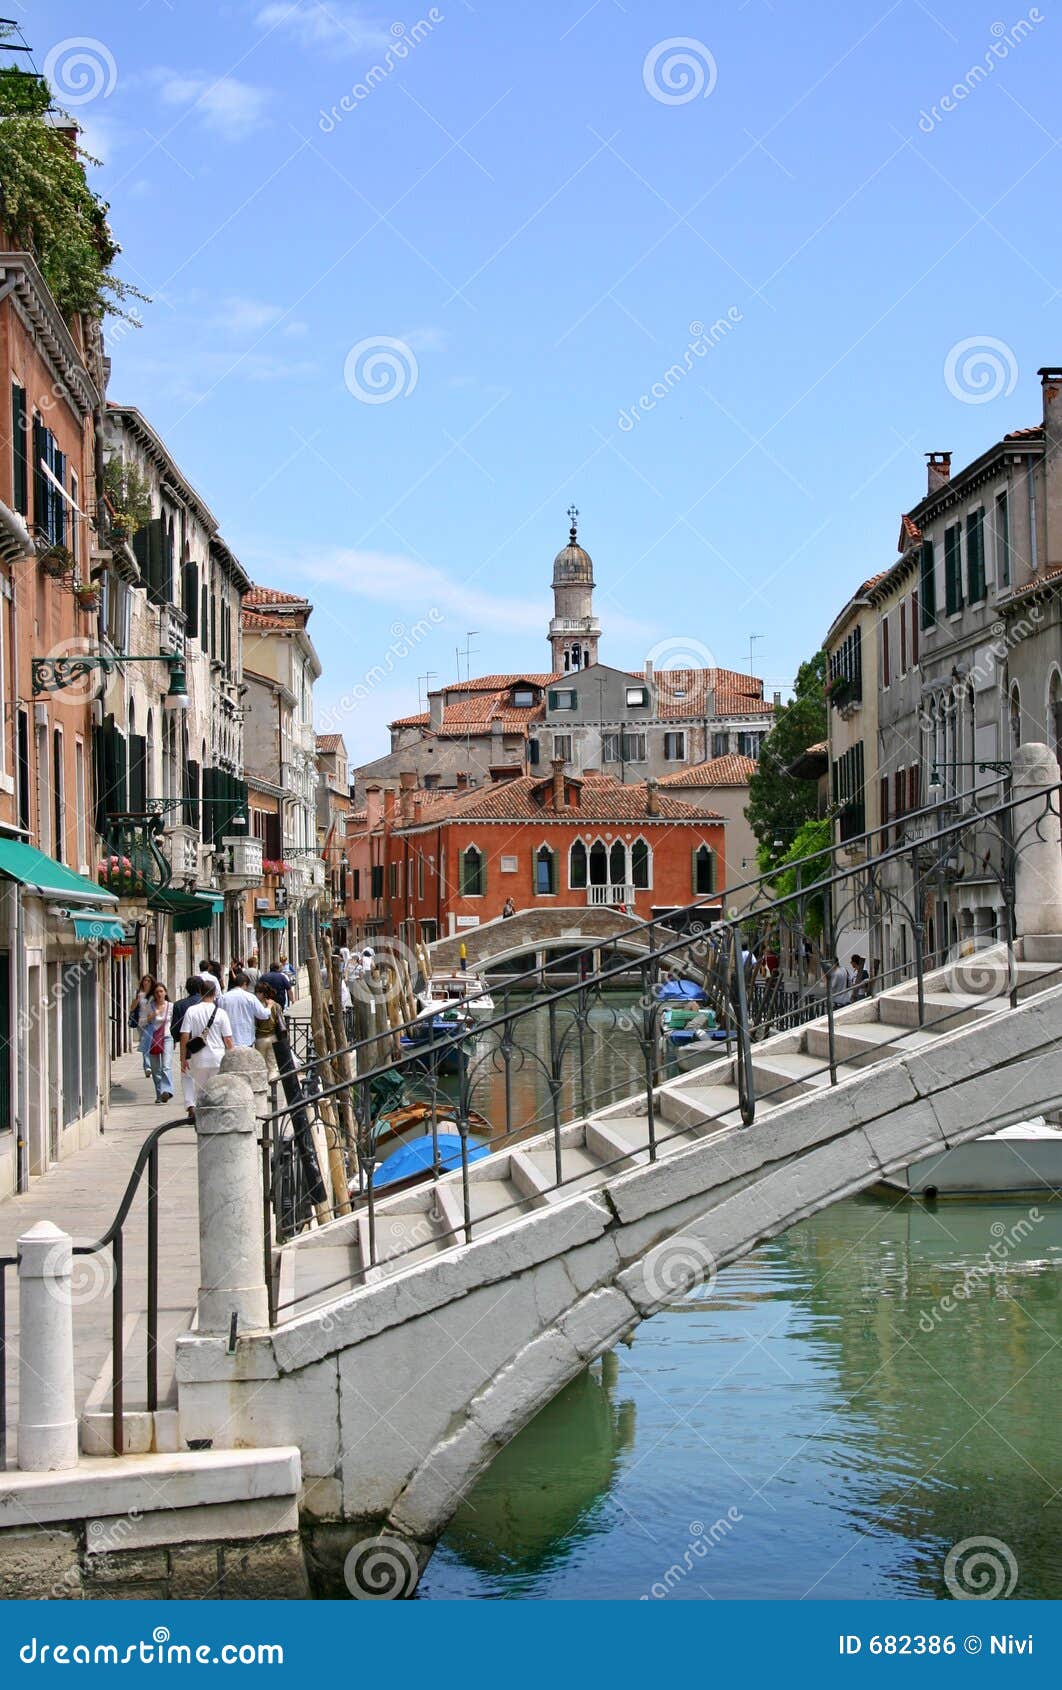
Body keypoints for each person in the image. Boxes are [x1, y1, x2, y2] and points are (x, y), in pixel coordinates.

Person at [179, 976, 234, 1115]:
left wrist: (183, 1058)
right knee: (217, 1090)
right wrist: (232, 1058)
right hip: (218, 1057)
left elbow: (184, 1035)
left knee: (200, 1090)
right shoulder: (221, 1013)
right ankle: (215, 1115)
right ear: (215, 993)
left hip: (199, 1058)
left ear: (200, 992)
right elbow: (228, 1039)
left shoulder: (191, 1011)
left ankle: (201, 1114)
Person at [170, 976, 203, 1118]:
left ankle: (190, 1104)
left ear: (187, 989)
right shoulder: (210, 1004)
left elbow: (175, 1030)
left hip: (188, 1048)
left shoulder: (179, 1005)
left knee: (187, 1077)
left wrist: (176, 1040)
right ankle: (203, 1104)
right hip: (207, 1048)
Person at [221, 969, 272, 1048]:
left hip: (229, 1039)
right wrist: (269, 1006)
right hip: (246, 1038)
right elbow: (263, 1015)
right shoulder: (250, 997)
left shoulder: (224, 997)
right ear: (244, 984)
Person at [145, 983, 174, 1103]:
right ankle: (159, 1095)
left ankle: (166, 1091)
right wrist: (155, 1013)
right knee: (155, 1069)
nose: (159, 994)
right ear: (154, 994)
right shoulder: (150, 1006)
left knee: (166, 1066)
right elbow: (143, 1021)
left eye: (161, 991)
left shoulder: (171, 1006)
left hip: (167, 1038)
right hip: (153, 1039)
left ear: (165, 992)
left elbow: (174, 1022)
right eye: (157, 992)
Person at [131, 974, 156, 1078]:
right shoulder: (137, 993)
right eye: (145, 980)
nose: (147, 982)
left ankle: (150, 1066)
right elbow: (132, 1008)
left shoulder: (155, 993)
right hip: (141, 1022)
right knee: (146, 1044)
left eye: (149, 981)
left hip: (153, 1022)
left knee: (150, 1044)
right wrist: (137, 999)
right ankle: (148, 1067)